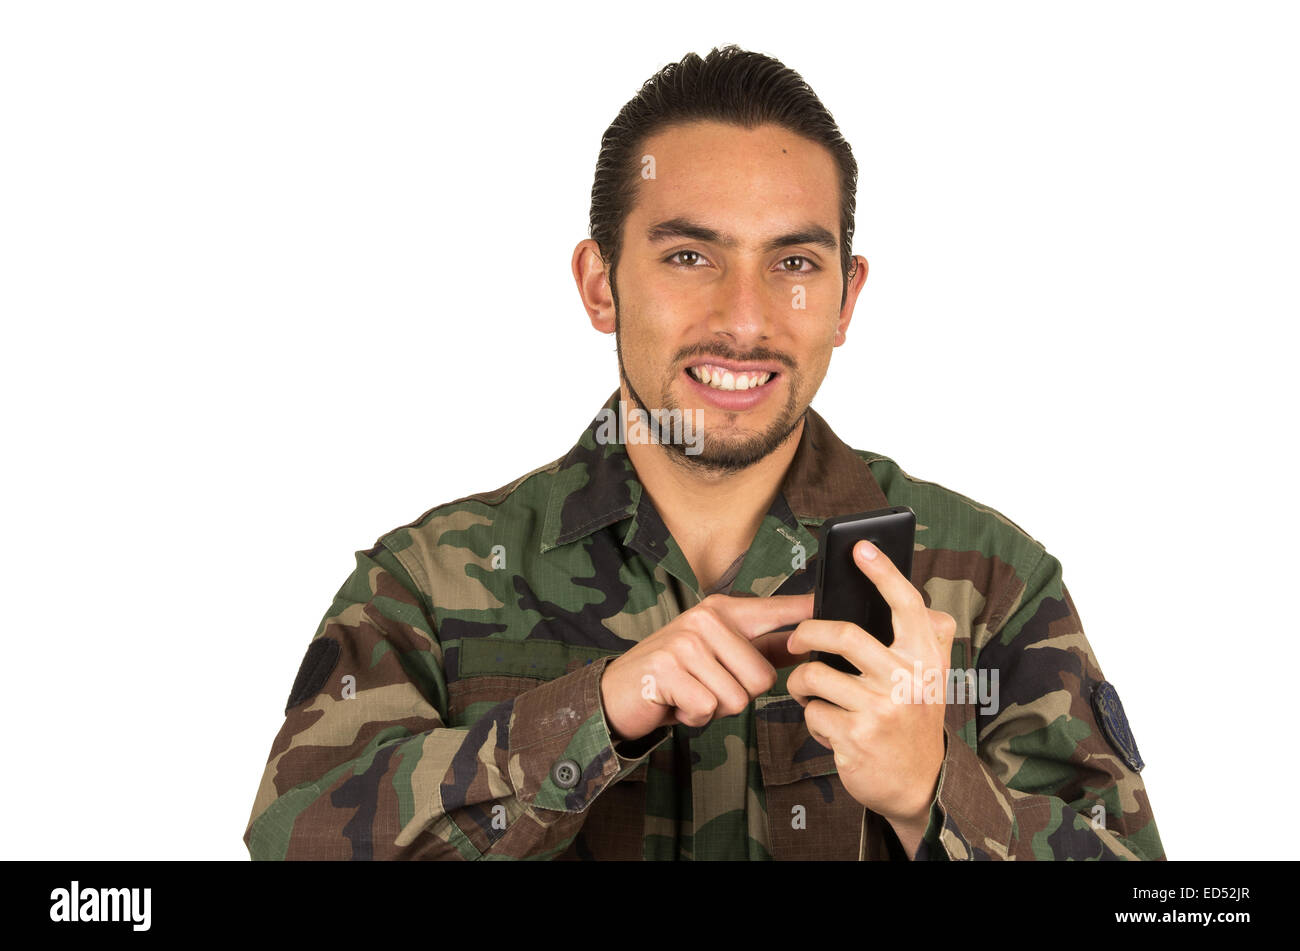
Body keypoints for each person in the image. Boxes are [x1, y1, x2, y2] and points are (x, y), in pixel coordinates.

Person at [243, 45, 1164, 861]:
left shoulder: (989, 583)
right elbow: (296, 839)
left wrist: (935, 793)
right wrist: (593, 714)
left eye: (795, 264)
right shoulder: (431, 582)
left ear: (847, 298)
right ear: (600, 284)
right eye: (690, 256)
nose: (745, 319)